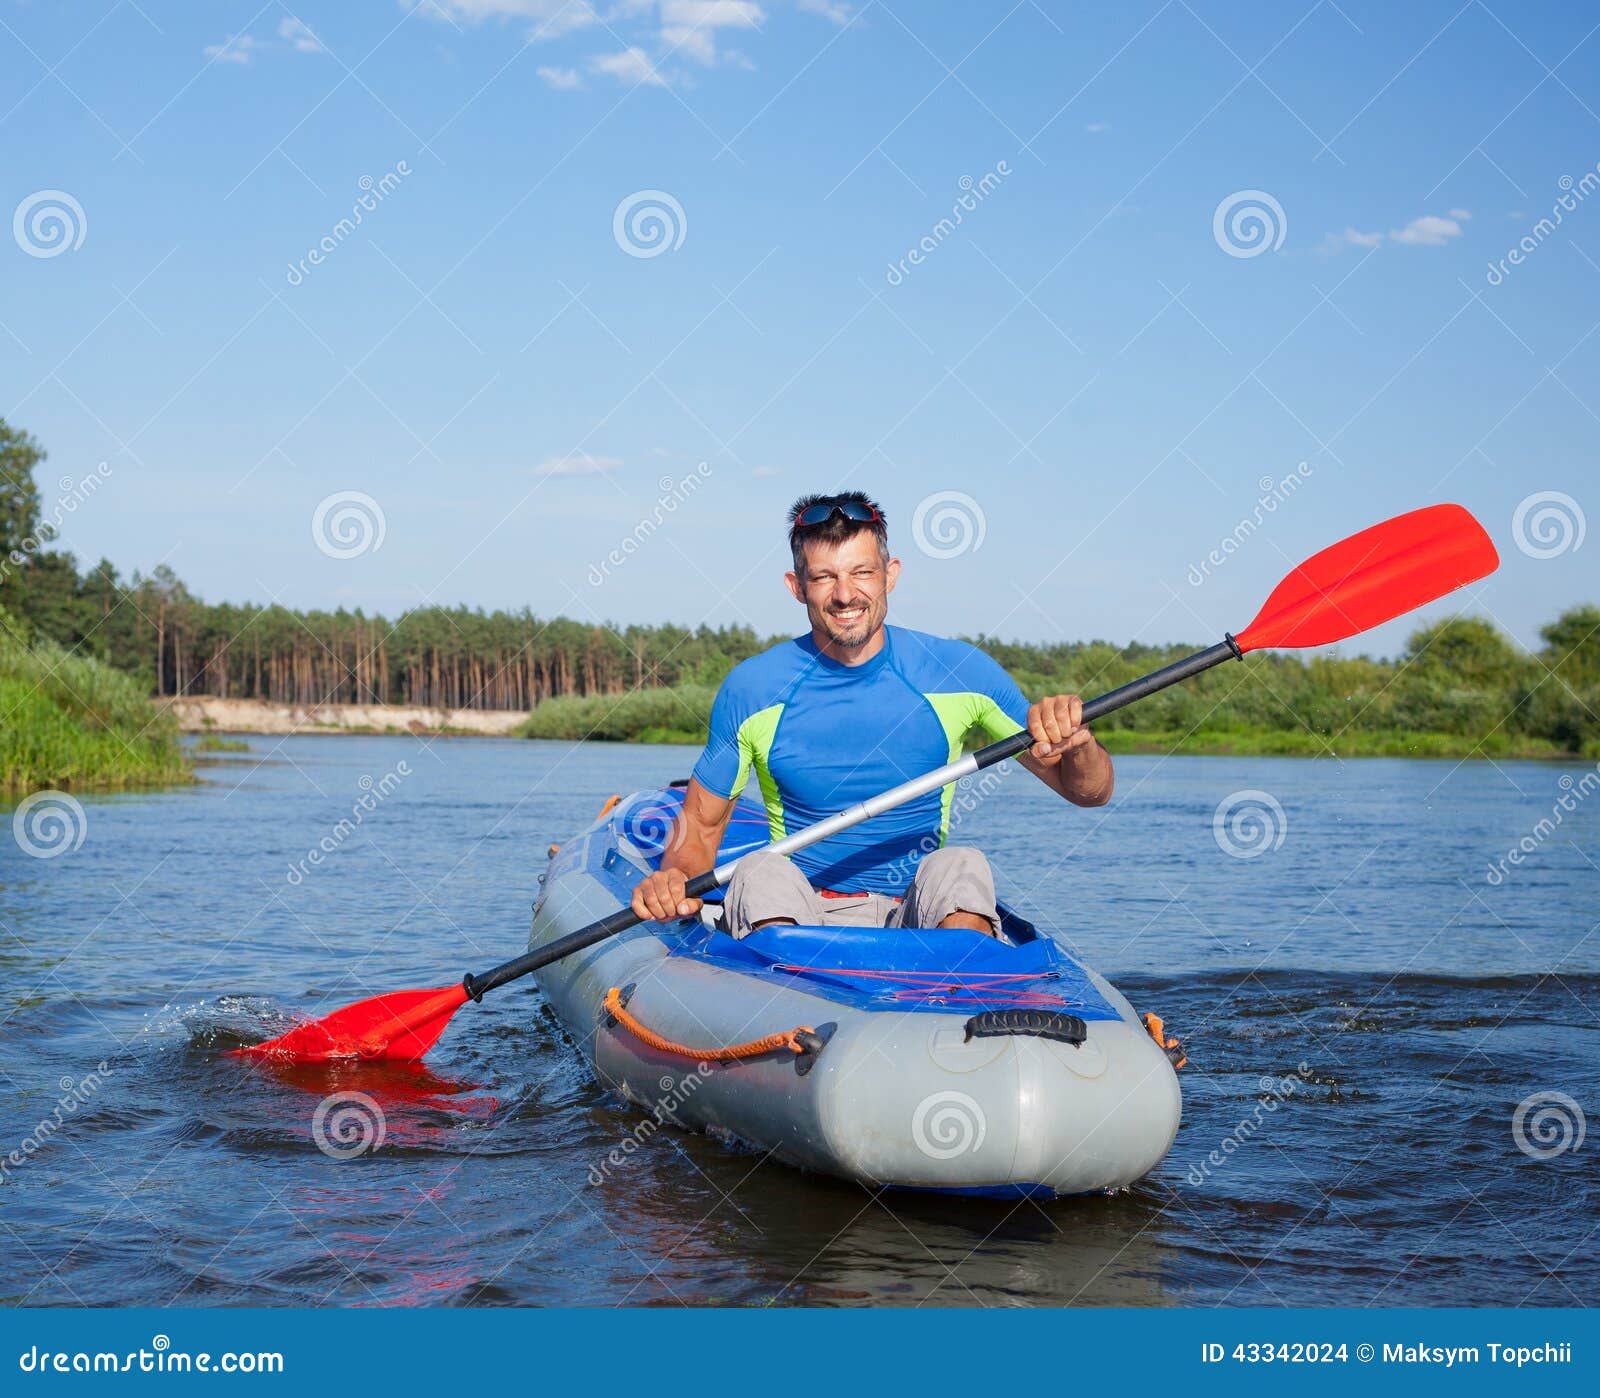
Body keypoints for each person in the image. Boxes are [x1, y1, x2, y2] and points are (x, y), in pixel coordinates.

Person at [630, 491, 1114, 938]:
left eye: (862, 572)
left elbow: (1088, 792)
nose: (845, 595)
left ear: (890, 574)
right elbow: (700, 828)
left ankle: (962, 994)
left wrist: (1080, 745)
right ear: (797, 586)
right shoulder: (754, 688)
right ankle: (787, 1001)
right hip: (800, 912)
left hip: (917, 913)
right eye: (824, 577)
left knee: (961, 863)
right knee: (760, 870)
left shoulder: (960, 671)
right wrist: (673, 878)